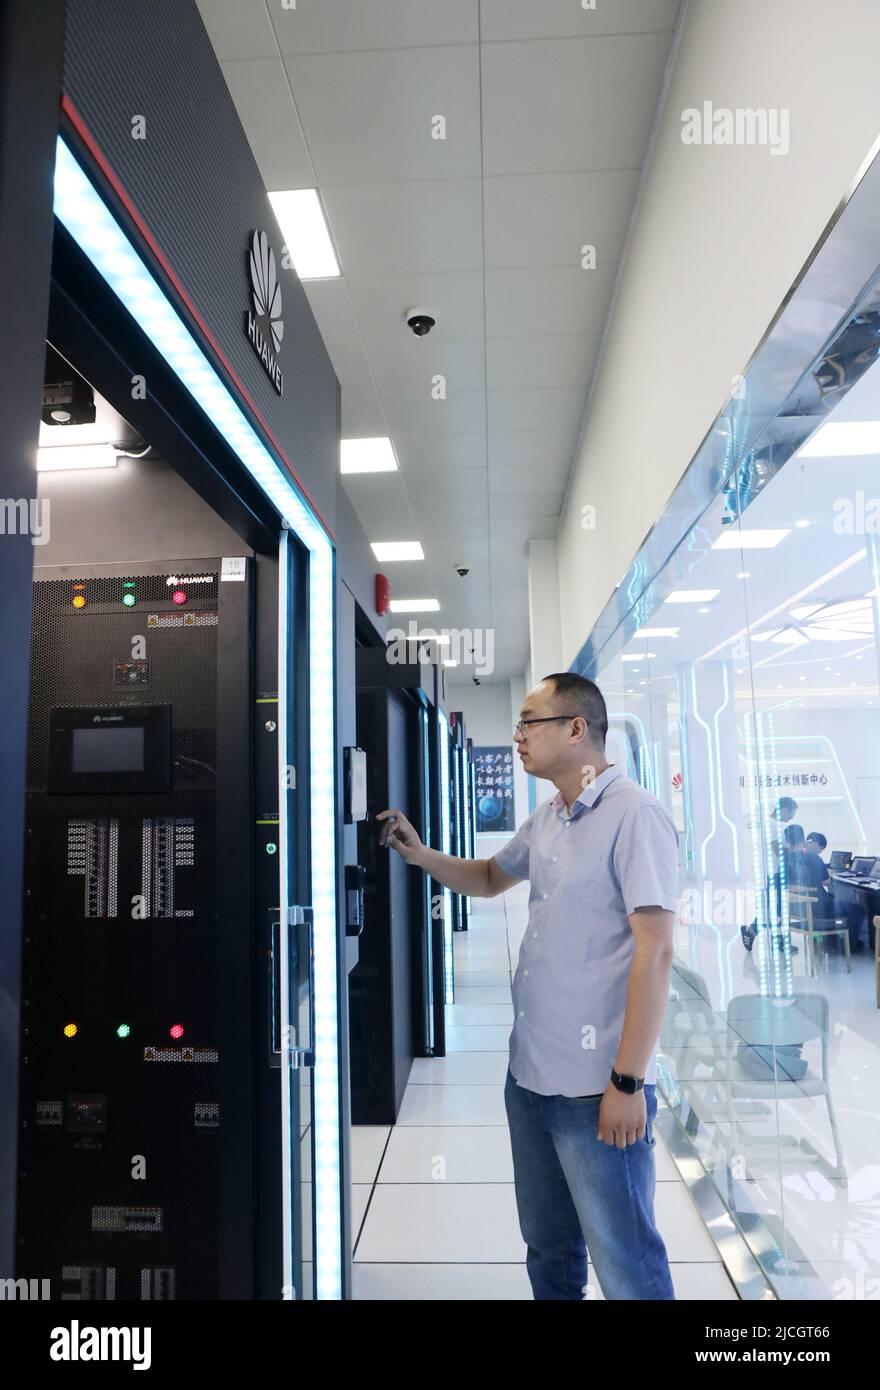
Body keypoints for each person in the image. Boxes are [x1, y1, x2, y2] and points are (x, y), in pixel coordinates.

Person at [377, 672, 678, 1301]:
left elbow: (655, 954)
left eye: (528, 721)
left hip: (597, 1090)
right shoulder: (549, 817)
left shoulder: (636, 817)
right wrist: (420, 854)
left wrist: (629, 1083)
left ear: (575, 729)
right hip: (531, 1080)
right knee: (549, 1253)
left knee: (626, 1263)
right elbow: (489, 876)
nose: (516, 736)